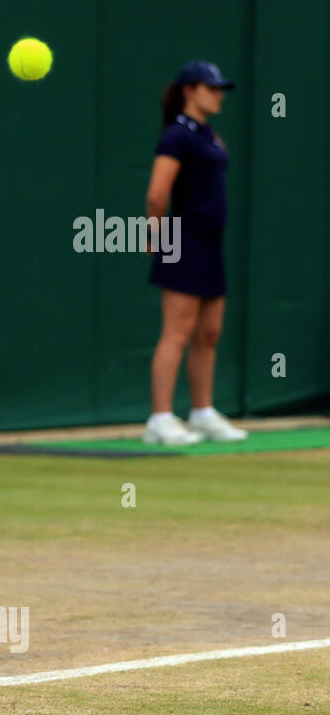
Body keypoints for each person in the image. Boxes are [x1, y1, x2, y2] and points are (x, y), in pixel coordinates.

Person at [143, 60, 248, 445]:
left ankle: (202, 412)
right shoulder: (177, 136)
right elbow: (157, 193)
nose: (218, 95)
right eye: (212, 87)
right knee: (177, 331)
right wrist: (156, 233)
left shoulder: (208, 135)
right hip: (181, 241)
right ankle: (159, 418)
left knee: (209, 333)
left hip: (210, 244)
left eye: (221, 88)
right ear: (190, 90)